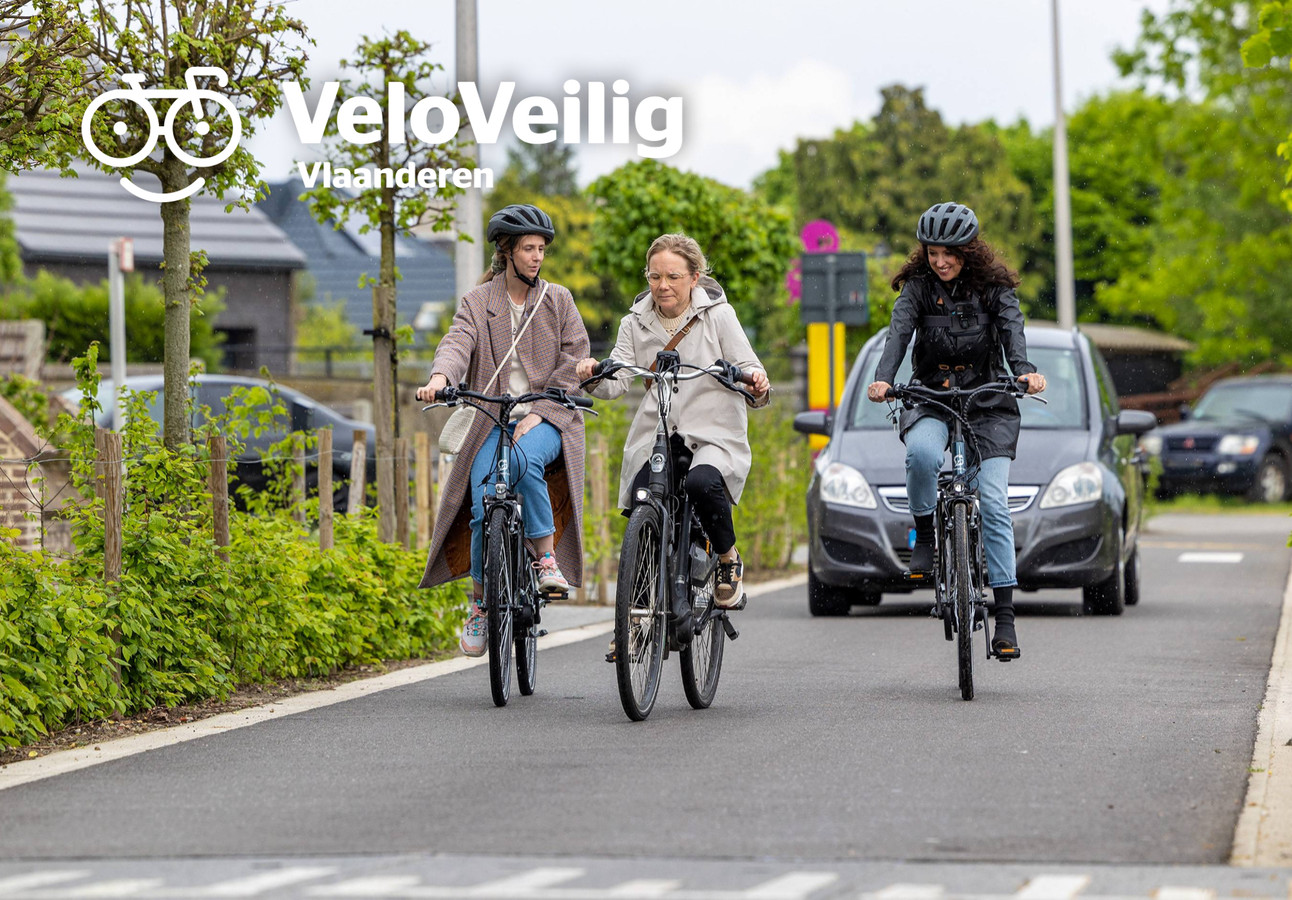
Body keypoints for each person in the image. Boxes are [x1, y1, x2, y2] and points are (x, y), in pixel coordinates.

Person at [865, 202, 1046, 660]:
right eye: (932, 253)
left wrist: (1024, 371)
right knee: (922, 456)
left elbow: (1013, 331)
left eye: (949, 253)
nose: (940, 262)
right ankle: (926, 534)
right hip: (932, 396)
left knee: (996, 503)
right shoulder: (918, 288)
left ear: (969, 251)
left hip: (988, 402)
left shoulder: (994, 287)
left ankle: (1004, 617)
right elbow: (898, 334)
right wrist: (885, 379)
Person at [416, 204, 591, 657]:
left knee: (524, 460)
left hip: (548, 417)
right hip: (491, 418)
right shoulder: (478, 302)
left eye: (541, 249)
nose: (537, 257)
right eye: (528, 248)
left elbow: (575, 359)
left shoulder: (558, 300)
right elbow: (457, 342)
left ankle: (545, 559)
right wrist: (440, 378)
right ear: (506, 251)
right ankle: (480, 604)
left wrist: (542, 409)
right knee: (480, 504)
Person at [576, 233, 771, 613]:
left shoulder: (719, 316)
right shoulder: (634, 323)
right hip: (659, 432)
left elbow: (750, 368)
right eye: (654, 277)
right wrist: (593, 374)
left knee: (702, 483)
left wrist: (756, 382)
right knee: (642, 499)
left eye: (673, 277)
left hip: (712, 432)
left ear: (695, 277)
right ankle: (637, 617)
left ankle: (728, 559)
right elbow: (617, 381)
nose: (662, 285)